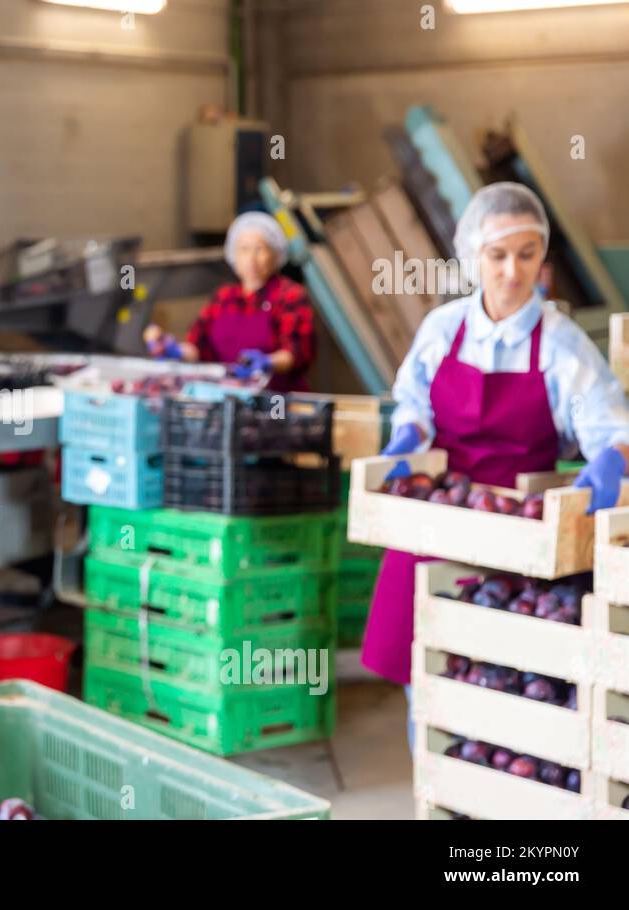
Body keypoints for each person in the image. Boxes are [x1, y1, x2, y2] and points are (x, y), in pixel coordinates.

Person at [362, 182, 629, 751]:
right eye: (498, 255)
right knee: (426, 678)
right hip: (435, 528)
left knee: (503, 687)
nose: (513, 271)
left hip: (518, 543)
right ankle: (437, 794)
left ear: (543, 257)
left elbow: (611, 427)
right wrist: (408, 432)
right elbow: (413, 400)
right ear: (472, 256)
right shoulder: (442, 329)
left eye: (527, 254)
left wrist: (611, 459)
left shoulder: (561, 343)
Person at [143, 211, 315, 392]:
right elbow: (198, 347)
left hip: (277, 400)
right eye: (244, 249)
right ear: (234, 255)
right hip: (229, 396)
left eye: (260, 249)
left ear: (276, 254)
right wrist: (173, 351)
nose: (251, 258)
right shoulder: (223, 297)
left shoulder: (290, 295)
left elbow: (297, 353)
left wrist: (267, 362)